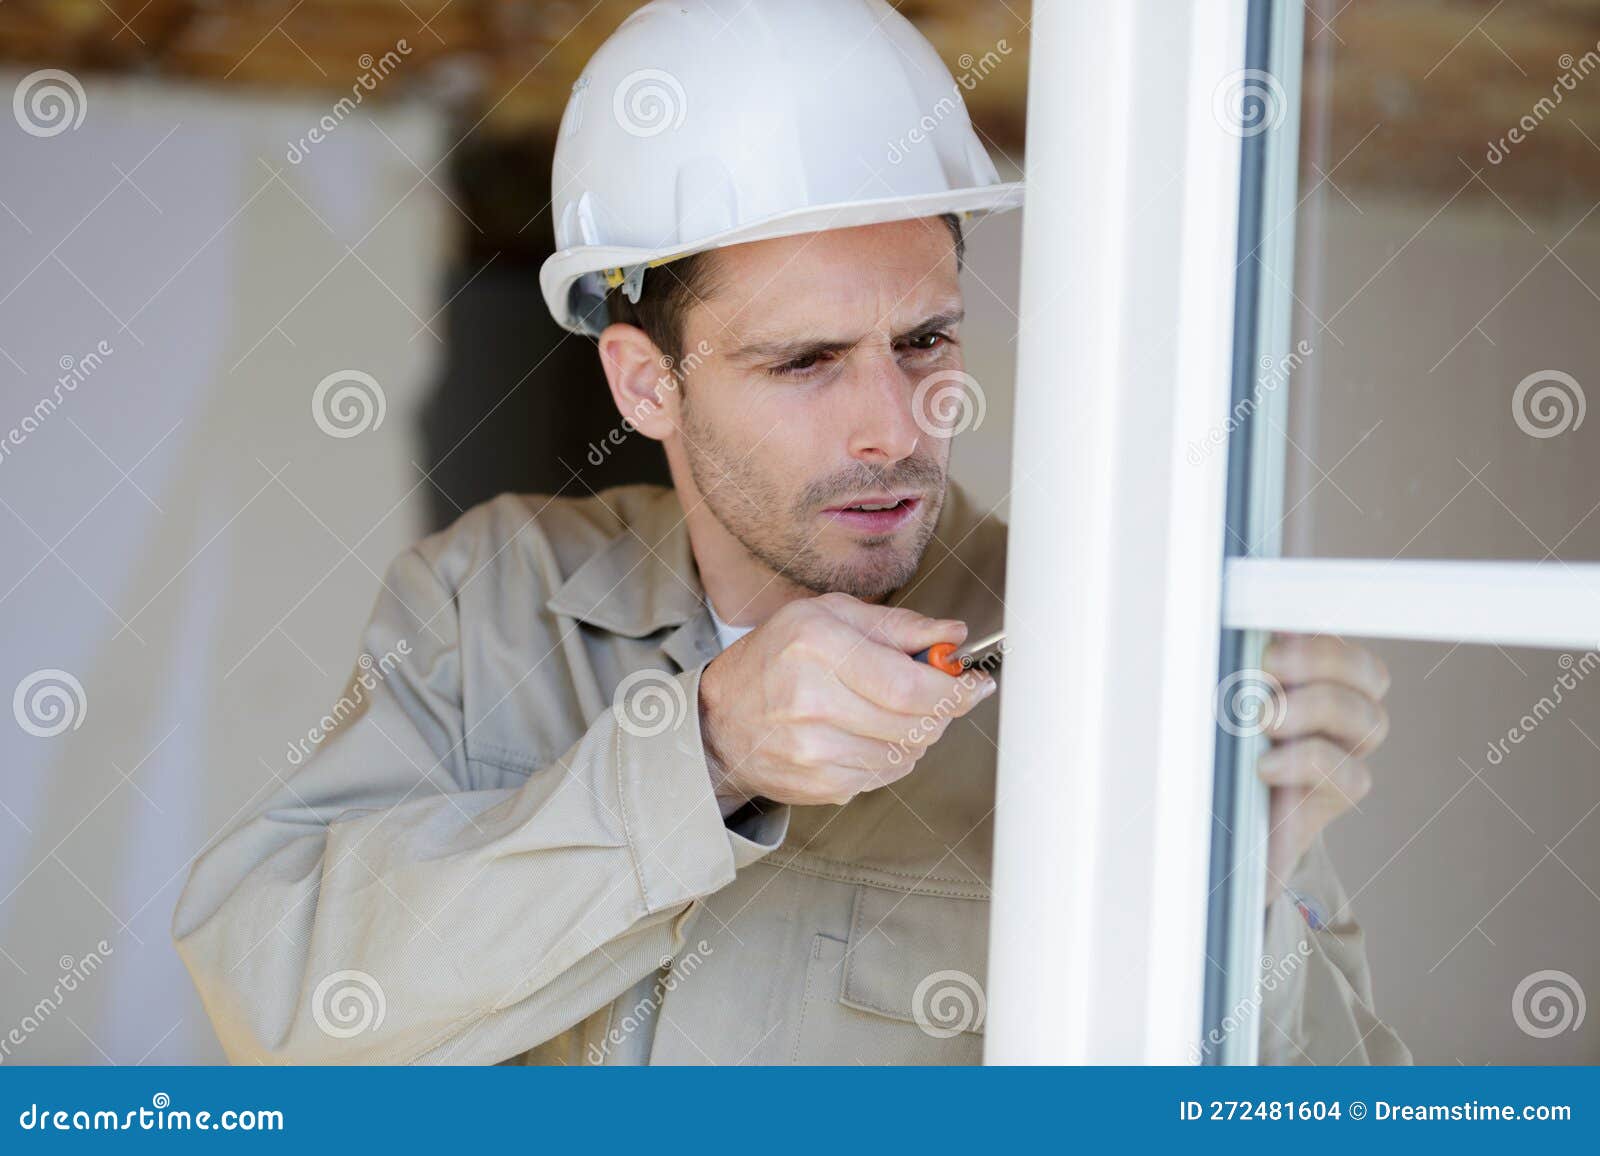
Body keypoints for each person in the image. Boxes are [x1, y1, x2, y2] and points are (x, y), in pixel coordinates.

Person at [173, 0, 1409, 1065]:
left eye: (923, 340)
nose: (894, 423)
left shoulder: (1113, 660)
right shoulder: (491, 602)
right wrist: (701, 758)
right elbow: (278, 1010)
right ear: (645, 383)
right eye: (805, 360)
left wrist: (1238, 898)